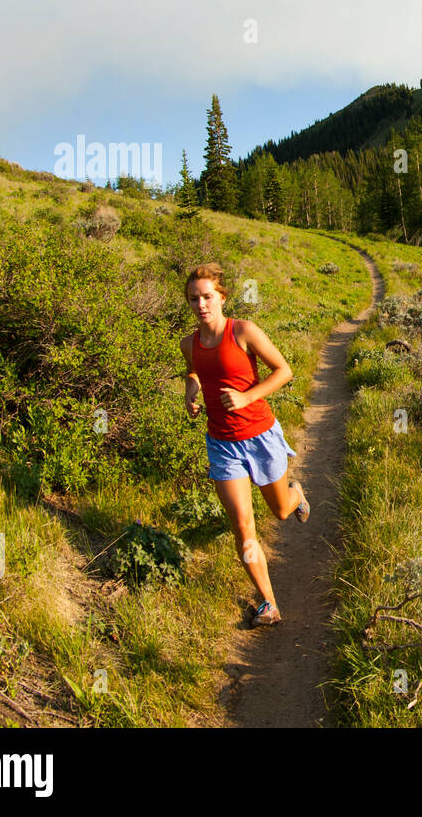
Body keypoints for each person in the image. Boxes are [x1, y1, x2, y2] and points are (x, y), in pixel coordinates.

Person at [181, 262, 308, 628]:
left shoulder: (244, 331)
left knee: (281, 512)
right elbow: (194, 370)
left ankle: (296, 494)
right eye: (194, 299)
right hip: (222, 444)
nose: (201, 304)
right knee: (243, 526)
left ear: (221, 297)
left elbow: (283, 370)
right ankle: (268, 603)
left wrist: (246, 397)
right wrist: (192, 390)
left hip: (260, 436)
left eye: (207, 297)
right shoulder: (188, 342)